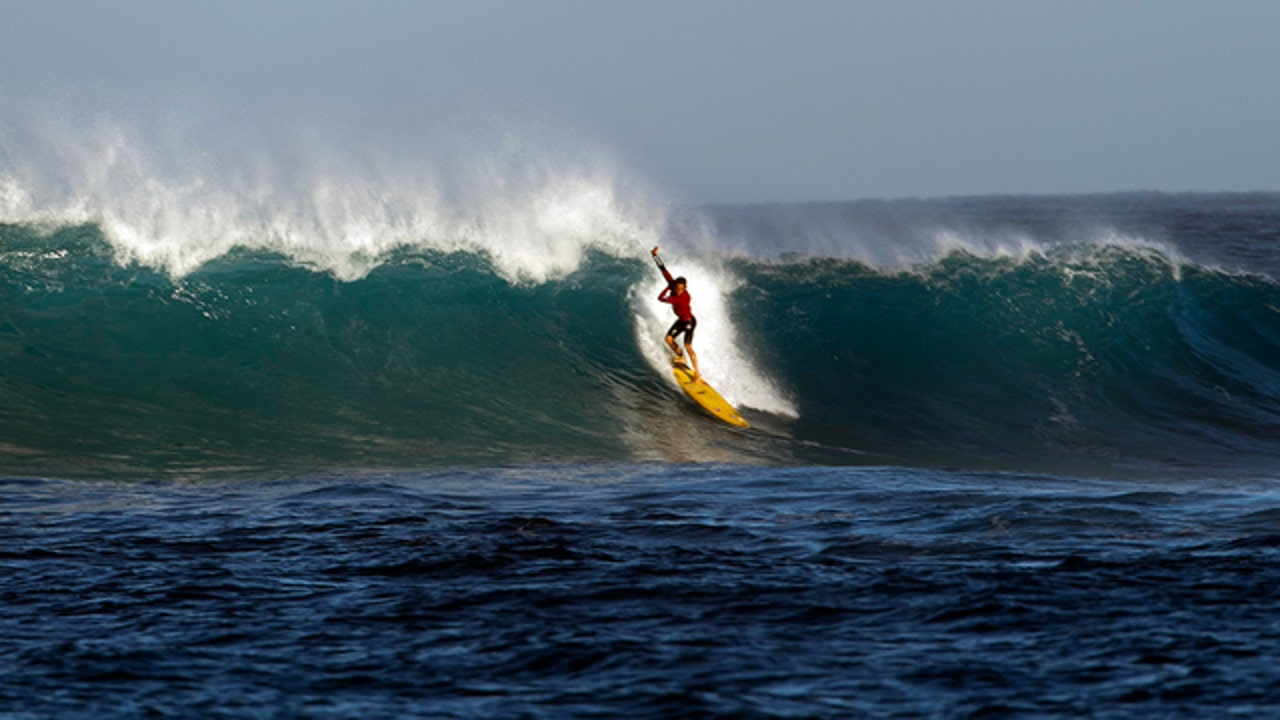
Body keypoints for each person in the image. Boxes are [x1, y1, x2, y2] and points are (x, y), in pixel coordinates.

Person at [651, 246, 701, 382]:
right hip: (681, 320)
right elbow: (663, 269)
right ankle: (680, 356)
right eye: (677, 288)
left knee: (688, 346)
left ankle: (697, 374)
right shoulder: (674, 286)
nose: (678, 290)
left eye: (681, 289)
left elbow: (660, 298)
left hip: (689, 322)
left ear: (685, 288)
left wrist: (668, 287)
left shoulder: (682, 298)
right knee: (668, 339)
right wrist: (654, 255)